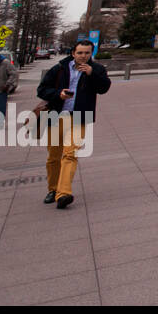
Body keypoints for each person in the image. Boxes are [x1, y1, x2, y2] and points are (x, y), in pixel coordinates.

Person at [37, 39, 111, 209]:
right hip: (56, 116)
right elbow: (41, 89)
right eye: (80, 53)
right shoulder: (60, 69)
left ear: (91, 53)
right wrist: (58, 94)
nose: (83, 56)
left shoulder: (97, 69)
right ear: (73, 53)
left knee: (70, 154)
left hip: (79, 117)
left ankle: (63, 194)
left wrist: (92, 74)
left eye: (87, 53)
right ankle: (53, 189)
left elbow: (104, 88)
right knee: (54, 156)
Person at [0, 50, 18, 124]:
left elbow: (14, 74)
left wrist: (7, 84)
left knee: (1, 106)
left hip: (2, 88)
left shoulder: (5, 63)